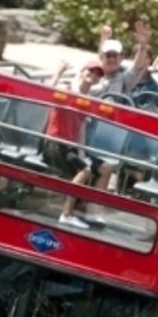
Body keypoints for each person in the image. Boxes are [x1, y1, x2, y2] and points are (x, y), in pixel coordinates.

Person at [44, 62, 113, 228]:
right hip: (55, 145)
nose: (94, 75)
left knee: (106, 168)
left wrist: (83, 156)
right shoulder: (67, 87)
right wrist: (58, 72)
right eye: (91, 71)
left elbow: (81, 132)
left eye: (98, 74)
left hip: (70, 148)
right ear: (82, 72)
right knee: (85, 170)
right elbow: (45, 94)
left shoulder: (87, 101)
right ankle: (67, 214)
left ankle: (92, 213)